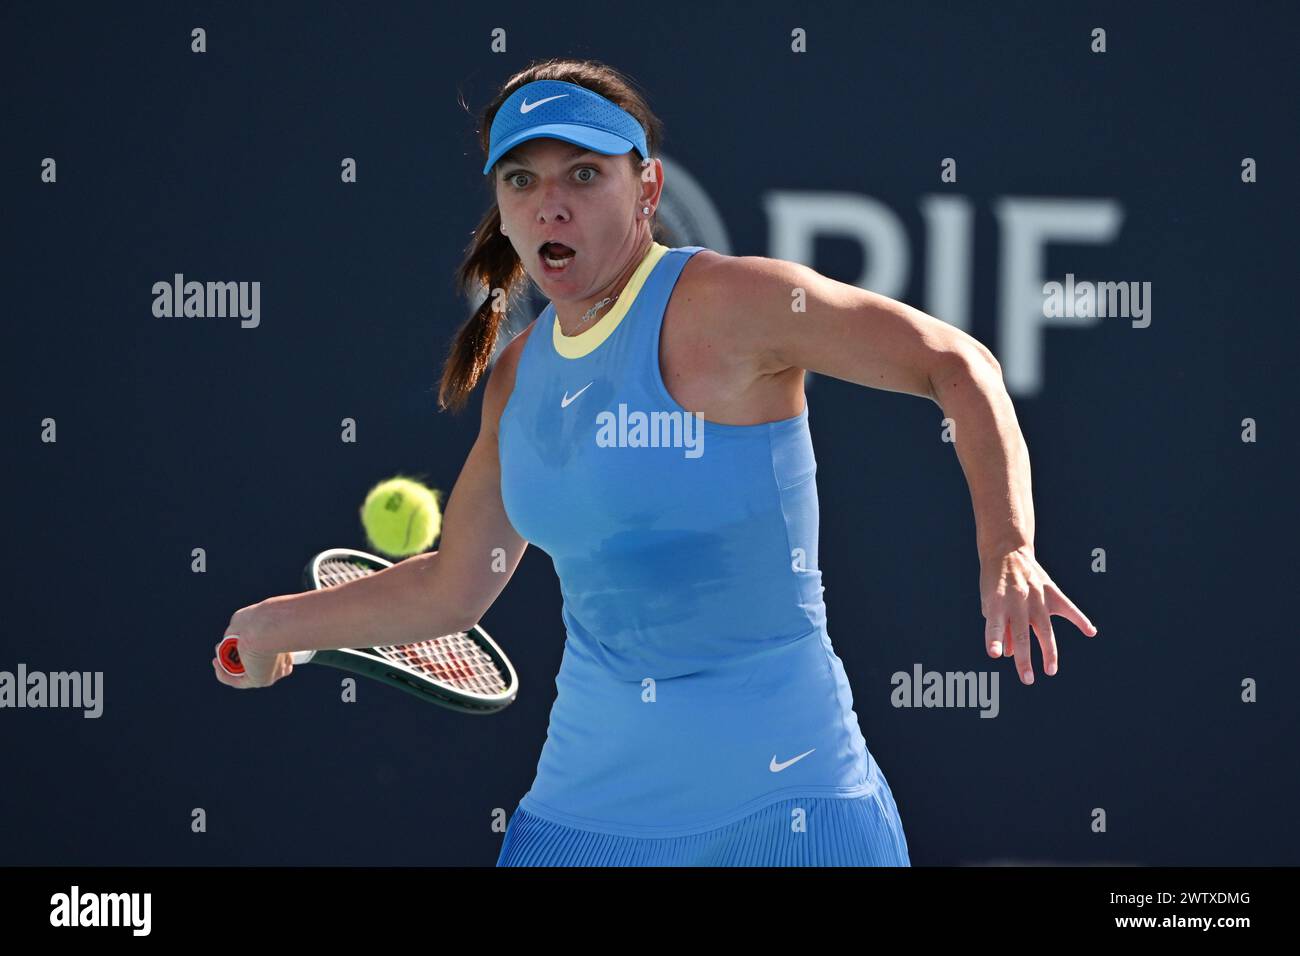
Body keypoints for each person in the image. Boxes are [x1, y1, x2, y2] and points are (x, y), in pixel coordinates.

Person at [213, 58, 1097, 867]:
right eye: (523, 181)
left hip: (793, 804)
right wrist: (272, 626)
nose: (550, 205)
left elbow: (955, 363)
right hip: (584, 814)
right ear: (503, 207)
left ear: (647, 189)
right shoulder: (516, 378)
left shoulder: (733, 304)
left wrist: (1007, 545)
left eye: (584, 176)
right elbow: (454, 589)